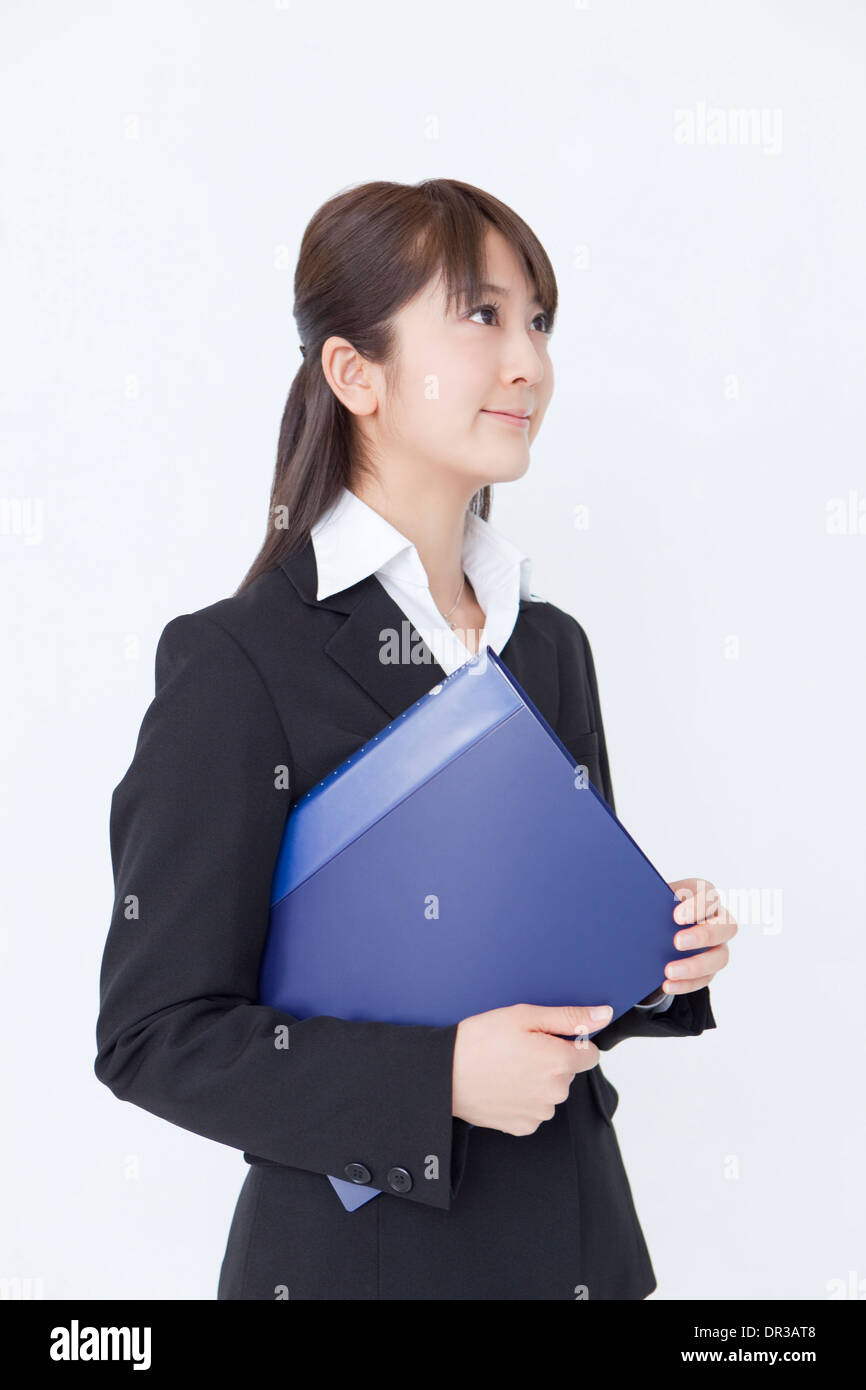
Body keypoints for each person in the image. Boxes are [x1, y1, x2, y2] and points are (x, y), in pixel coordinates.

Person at [94, 178, 735, 1300]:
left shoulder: (549, 645)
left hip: (581, 1252)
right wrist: (436, 1076)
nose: (526, 361)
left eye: (536, 319)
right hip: (367, 1269)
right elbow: (154, 1033)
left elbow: (532, 962)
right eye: (480, 316)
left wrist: (652, 958)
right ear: (356, 375)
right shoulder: (237, 663)